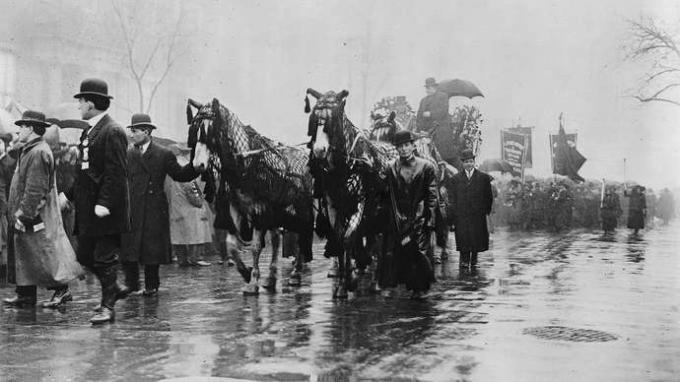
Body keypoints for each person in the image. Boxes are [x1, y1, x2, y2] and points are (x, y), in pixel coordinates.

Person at [65, 78, 131, 324]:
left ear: (90, 103)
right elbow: (85, 173)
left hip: (105, 209)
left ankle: (108, 306)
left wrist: (105, 202)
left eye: (80, 101)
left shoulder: (112, 130)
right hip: (88, 208)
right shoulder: (90, 130)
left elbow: (116, 173)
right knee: (84, 256)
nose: (79, 106)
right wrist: (68, 194)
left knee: (104, 257)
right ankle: (113, 287)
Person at [2, 110, 81, 308]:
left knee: (45, 253)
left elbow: (35, 189)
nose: (18, 130)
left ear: (30, 128)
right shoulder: (32, 149)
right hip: (30, 214)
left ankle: (61, 290)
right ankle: (25, 294)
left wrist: (24, 215)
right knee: (28, 253)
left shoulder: (38, 152)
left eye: (21, 126)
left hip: (35, 216)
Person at [121, 114, 201, 297]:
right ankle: (131, 284)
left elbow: (180, 175)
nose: (131, 135)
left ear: (147, 132)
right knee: (130, 247)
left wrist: (195, 166)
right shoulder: (128, 153)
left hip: (153, 207)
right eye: (131, 131)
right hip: (132, 206)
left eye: (135, 131)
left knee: (151, 248)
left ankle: (151, 285)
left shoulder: (163, 153)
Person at [378, 130, 438, 299]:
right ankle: (393, 284)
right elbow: (381, 190)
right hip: (397, 217)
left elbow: (432, 196)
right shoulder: (390, 167)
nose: (403, 149)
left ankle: (420, 288)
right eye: (400, 146)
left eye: (406, 145)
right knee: (393, 251)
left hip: (418, 217)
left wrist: (430, 219)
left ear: (413, 145)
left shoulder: (426, 166)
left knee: (418, 252)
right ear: (396, 148)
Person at [450, 149, 494, 269]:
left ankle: (474, 259)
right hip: (462, 215)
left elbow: (489, 196)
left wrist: (485, 210)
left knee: (476, 238)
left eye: (471, 161)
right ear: (462, 163)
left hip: (477, 215)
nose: (469, 164)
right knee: (463, 237)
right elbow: (452, 198)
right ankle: (464, 260)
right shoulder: (455, 179)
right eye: (466, 162)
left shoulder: (483, 178)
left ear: (474, 162)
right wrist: (454, 214)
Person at [415, 77, 456, 165]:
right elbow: (418, 116)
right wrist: (420, 129)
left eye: (429, 87)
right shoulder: (423, 101)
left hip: (440, 130)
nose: (427, 90)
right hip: (426, 132)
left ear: (435, 87)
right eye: (426, 88)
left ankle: (447, 166)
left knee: (443, 154)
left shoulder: (443, 96)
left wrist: (430, 114)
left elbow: (443, 111)